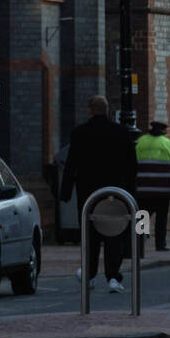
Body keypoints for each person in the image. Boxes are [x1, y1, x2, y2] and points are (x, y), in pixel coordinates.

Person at [60, 95, 137, 292]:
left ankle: (90, 275)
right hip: (115, 192)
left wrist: (65, 192)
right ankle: (113, 277)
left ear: (91, 110)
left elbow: (71, 164)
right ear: (108, 109)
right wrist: (131, 192)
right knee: (114, 233)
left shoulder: (80, 133)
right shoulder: (121, 133)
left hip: (88, 192)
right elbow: (131, 165)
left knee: (89, 235)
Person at [135, 117, 170, 251]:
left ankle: (139, 243)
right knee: (161, 218)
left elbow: (134, 160)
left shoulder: (141, 141)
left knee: (142, 215)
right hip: (163, 189)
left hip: (143, 187)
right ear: (163, 131)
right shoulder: (167, 143)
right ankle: (160, 244)